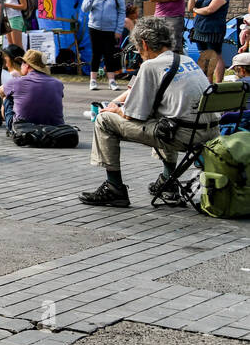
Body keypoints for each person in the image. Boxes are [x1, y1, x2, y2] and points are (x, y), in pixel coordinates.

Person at [80, 17, 215, 207]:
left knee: (104, 120)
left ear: (144, 43)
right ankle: (168, 182)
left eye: (137, 47)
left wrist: (115, 110)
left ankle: (114, 187)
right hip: (208, 133)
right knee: (165, 118)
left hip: (183, 135)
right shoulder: (186, 60)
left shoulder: (151, 66)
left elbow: (133, 114)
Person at [0, 49, 64, 130]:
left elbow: (0, 90)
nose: (20, 65)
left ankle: (10, 129)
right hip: (54, 126)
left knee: (8, 97)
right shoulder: (58, 83)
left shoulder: (17, 82)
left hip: (22, 128)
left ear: (27, 65)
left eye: (22, 63)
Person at [81, 0, 126, 91]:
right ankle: (93, 80)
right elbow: (84, 9)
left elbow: (122, 12)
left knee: (109, 54)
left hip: (110, 29)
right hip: (94, 28)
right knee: (96, 53)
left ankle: (112, 81)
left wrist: (119, 30)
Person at [189, 0, 229, 83]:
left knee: (215, 55)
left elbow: (210, 10)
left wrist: (196, 10)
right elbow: (190, 7)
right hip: (200, 28)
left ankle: (218, 84)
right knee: (205, 55)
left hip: (214, 29)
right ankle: (208, 84)